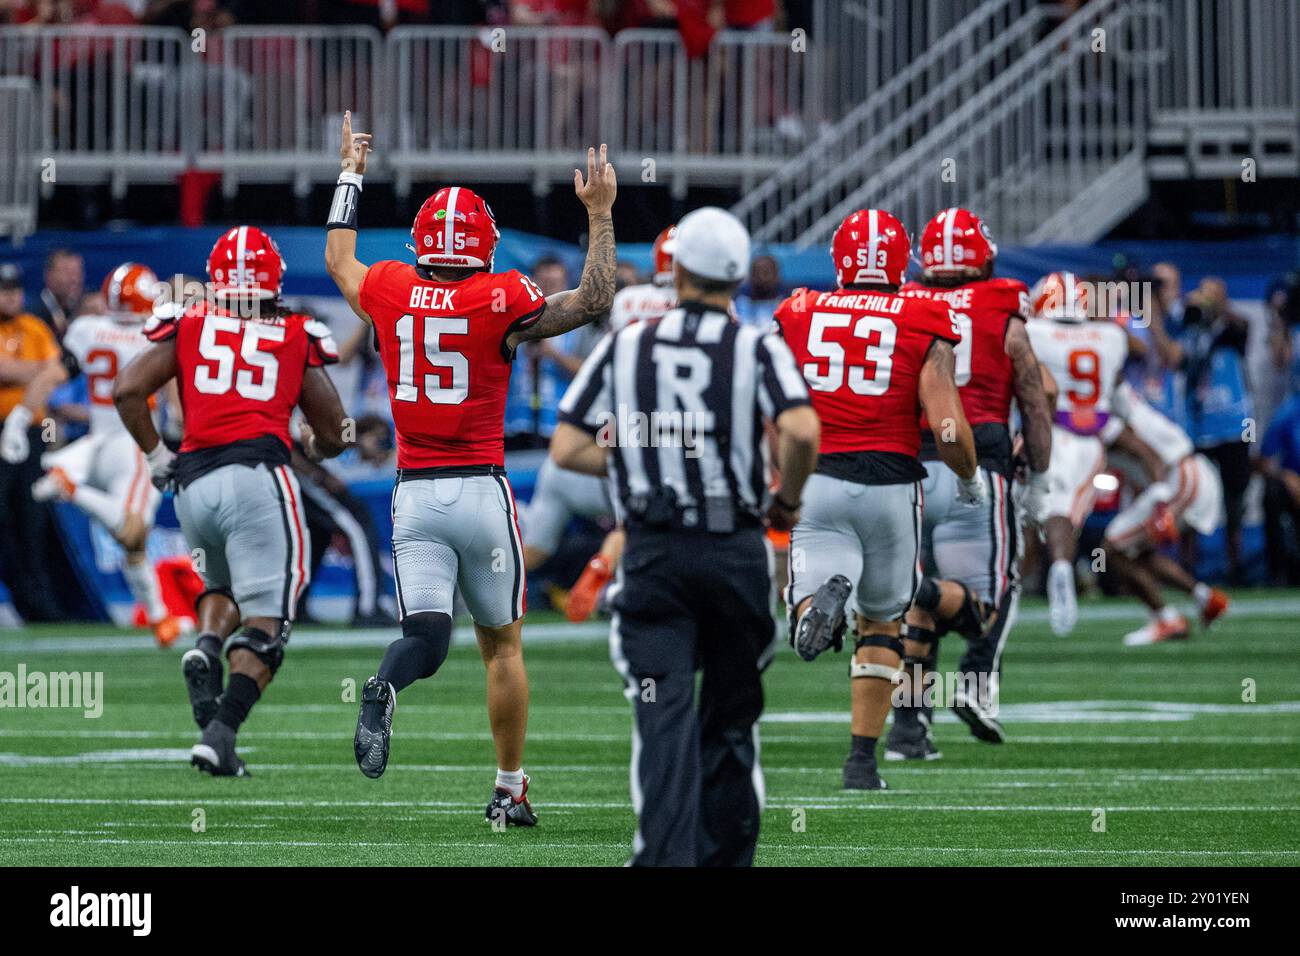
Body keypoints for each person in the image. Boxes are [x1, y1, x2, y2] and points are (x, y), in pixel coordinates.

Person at [324, 112, 617, 826]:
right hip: (482, 490)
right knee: (501, 649)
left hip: (414, 495)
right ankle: (507, 791)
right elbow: (595, 299)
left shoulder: (390, 288)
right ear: (483, 245)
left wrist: (350, 173)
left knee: (425, 638)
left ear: (422, 242)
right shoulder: (501, 296)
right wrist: (601, 216)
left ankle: (387, 688)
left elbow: (338, 260)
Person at [551, 205, 820, 866]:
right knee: (730, 723)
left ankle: (663, 858)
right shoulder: (755, 344)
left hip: (655, 552)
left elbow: (566, 446)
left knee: (662, 715)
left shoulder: (629, 342)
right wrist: (785, 502)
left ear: (677, 271)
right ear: (734, 275)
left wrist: (641, 457)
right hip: (734, 550)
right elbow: (803, 431)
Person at [114, 226, 350, 777]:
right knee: (269, 626)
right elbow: (335, 430)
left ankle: (206, 644)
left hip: (194, 484)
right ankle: (220, 736)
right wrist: (315, 444)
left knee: (222, 589)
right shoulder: (296, 331)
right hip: (258, 478)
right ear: (275, 280)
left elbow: (128, 389)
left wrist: (154, 456)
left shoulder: (188, 322)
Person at [776, 208, 980, 790]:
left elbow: (777, 408)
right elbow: (944, 423)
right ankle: (860, 763)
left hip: (818, 476)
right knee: (884, 624)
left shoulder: (798, 309)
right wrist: (966, 478)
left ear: (840, 259)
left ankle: (813, 609)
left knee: (805, 600)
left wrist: (776, 479)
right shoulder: (925, 312)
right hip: (892, 485)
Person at [886, 207, 1054, 757]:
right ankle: (978, 686)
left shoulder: (906, 303)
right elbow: (1038, 391)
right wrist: (1041, 472)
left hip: (910, 464)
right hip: (976, 461)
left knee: (918, 603)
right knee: (997, 588)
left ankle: (910, 727)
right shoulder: (1004, 304)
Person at [1, 262, 182, 645]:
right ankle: (70, 488)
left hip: (94, 441)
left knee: (128, 542)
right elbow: (174, 399)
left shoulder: (86, 329)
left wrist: (19, 418)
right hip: (134, 443)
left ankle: (158, 617)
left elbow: (50, 375)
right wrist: (179, 434)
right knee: (134, 528)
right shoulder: (157, 334)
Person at [1026, 272, 1129, 637]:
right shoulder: (1112, 337)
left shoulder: (1033, 333)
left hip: (1046, 430)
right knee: (1067, 512)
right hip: (1090, 435)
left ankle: (1040, 574)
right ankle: (1065, 568)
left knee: (1044, 510)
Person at [1101, 381, 1230, 645]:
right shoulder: (1107, 397)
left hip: (1177, 476)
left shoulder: (1098, 410)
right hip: (1182, 473)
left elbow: (1149, 456)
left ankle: (1166, 619)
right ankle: (1207, 600)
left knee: (1111, 549)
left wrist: (1159, 502)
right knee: (1136, 551)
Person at [1150, 277, 1253, 582]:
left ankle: (1236, 566)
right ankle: (1187, 567)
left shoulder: (1230, 330)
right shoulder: (1189, 333)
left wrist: (1216, 307)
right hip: (1200, 427)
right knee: (1195, 497)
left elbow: (1242, 329)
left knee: (1235, 500)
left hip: (1234, 426)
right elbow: (1174, 358)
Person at [0, 262, 65, 622]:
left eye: (13, 288)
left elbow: (56, 372)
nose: (9, 295)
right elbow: (30, 370)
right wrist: (35, 370)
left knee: (32, 518)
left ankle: (38, 605)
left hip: (32, 433)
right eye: (3, 289)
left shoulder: (34, 327)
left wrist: (25, 371)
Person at [1259, 393, 1300, 586]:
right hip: (1293, 484)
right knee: (1272, 493)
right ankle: (1278, 571)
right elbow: (1263, 460)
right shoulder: (1288, 411)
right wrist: (1285, 475)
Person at [28, 248, 85, 340]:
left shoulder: (82, 309)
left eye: (78, 273)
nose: (74, 279)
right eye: (67, 273)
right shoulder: (32, 314)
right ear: (49, 276)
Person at [733, 253, 785, 329]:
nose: (762, 278)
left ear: (776, 275)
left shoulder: (786, 300)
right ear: (751, 275)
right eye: (758, 273)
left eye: (766, 273)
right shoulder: (739, 301)